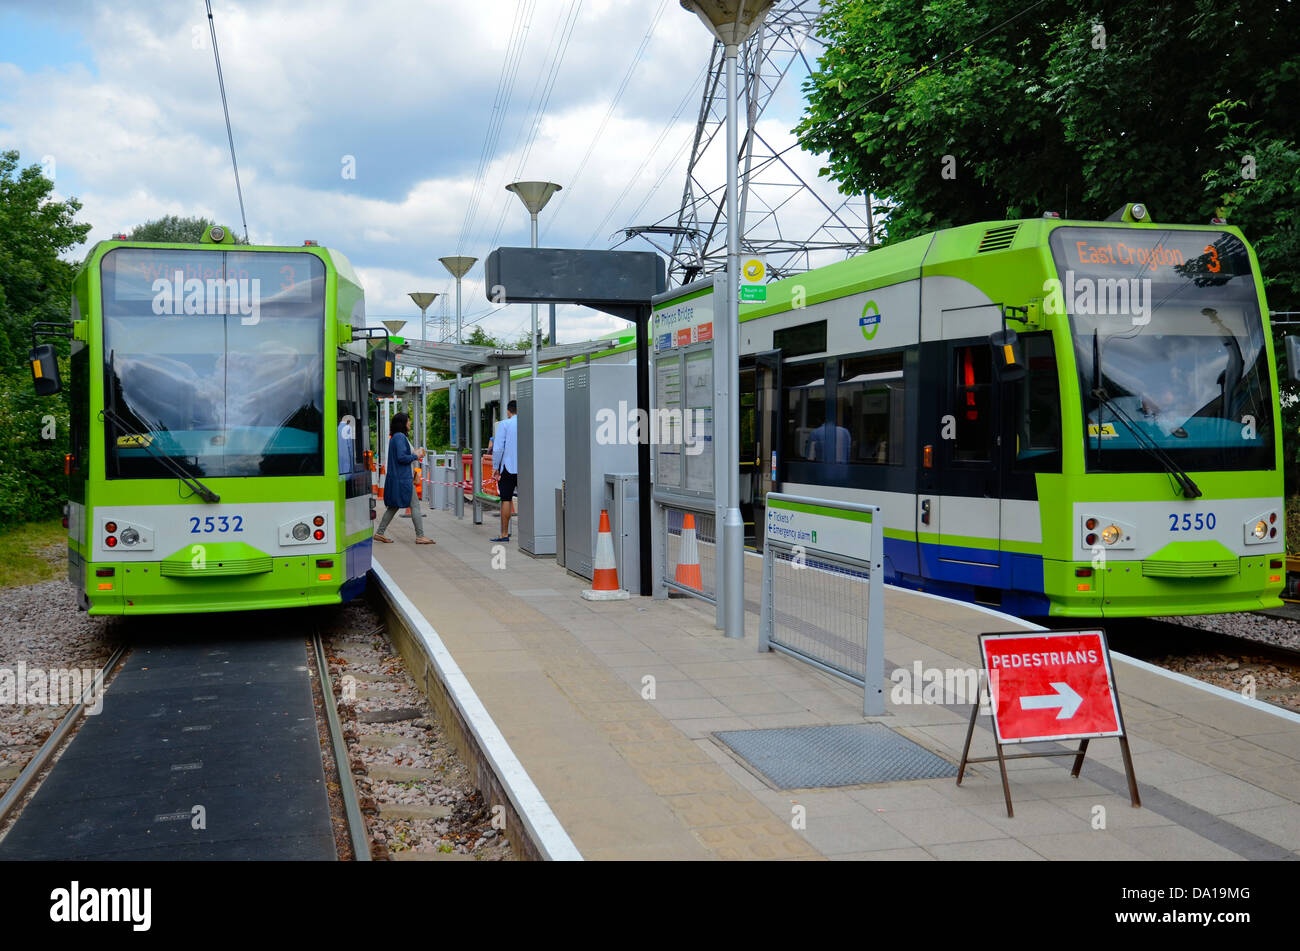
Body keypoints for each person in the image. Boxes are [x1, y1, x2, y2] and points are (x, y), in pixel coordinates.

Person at [374, 413, 434, 545]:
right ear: (402, 423)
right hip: (403, 480)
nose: (409, 423)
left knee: (393, 506)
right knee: (415, 506)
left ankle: (380, 532)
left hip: (398, 478)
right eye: (408, 421)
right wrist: (416, 456)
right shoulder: (400, 437)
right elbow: (402, 458)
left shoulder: (395, 437)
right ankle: (420, 536)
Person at [491, 399, 518, 543]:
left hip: (508, 467)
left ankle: (504, 533)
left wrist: (495, 467)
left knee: (506, 499)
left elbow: (498, 448)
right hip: (525, 467)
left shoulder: (505, 424)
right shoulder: (528, 422)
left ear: (509, 411)